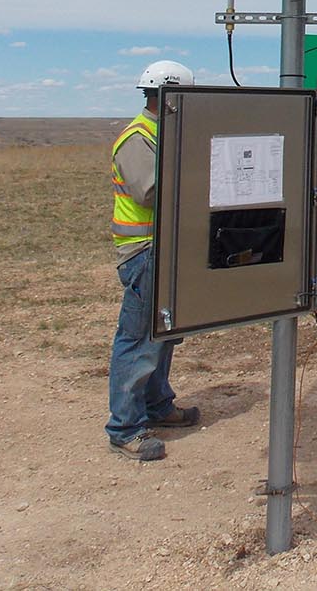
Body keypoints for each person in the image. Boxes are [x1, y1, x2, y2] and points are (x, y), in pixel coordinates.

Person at [106, 60, 202, 461]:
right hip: (145, 252)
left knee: (163, 334)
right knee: (138, 341)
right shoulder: (137, 139)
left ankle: (158, 405)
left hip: (166, 251)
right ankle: (126, 428)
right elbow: (151, 192)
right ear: (167, 97)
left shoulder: (168, 133)